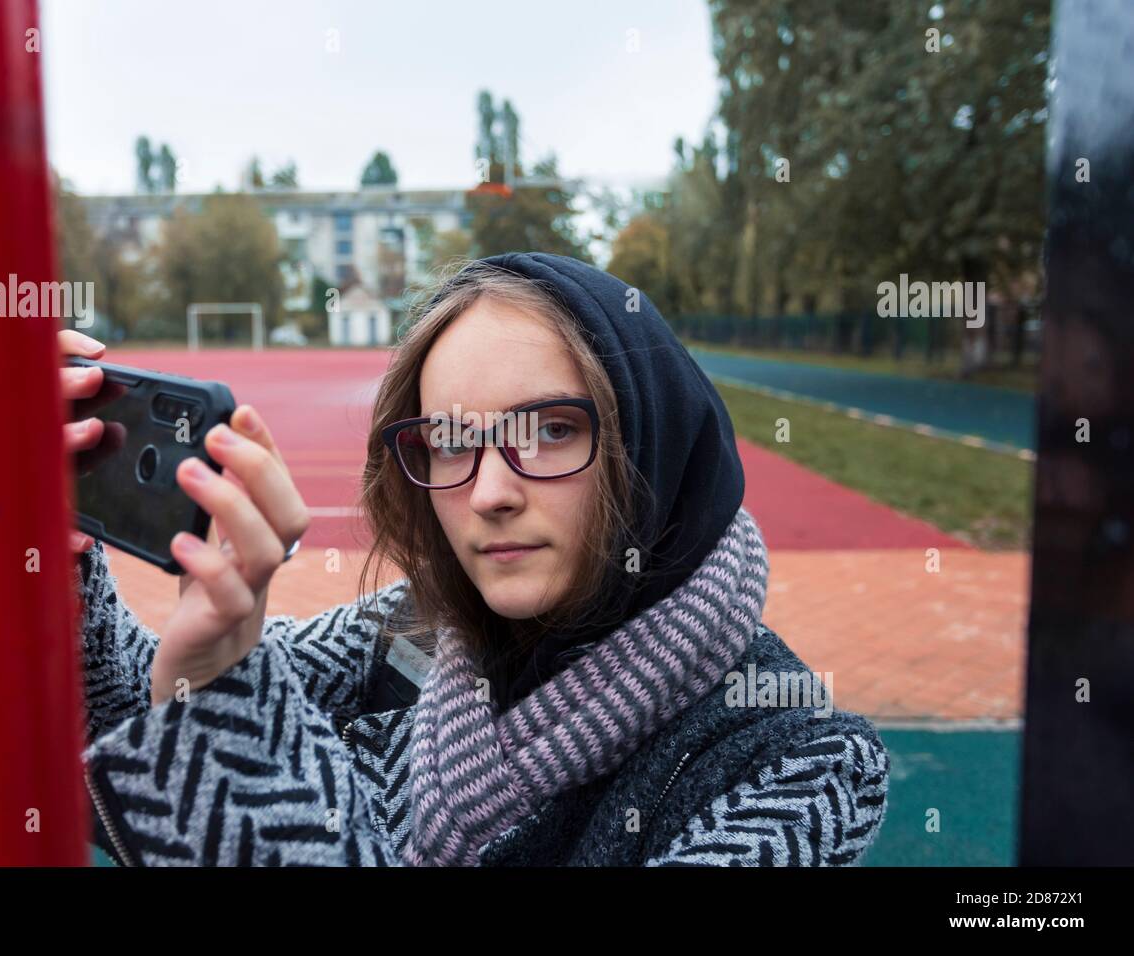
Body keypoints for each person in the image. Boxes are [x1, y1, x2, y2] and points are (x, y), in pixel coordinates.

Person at [63, 252, 891, 867]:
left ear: (654, 442)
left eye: (551, 429)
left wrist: (238, 714)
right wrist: (51, 555)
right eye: (451, 441)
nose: (490, 492)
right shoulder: (412, 627)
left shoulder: (797, 763)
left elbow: (218, 735)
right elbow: (143, 710)